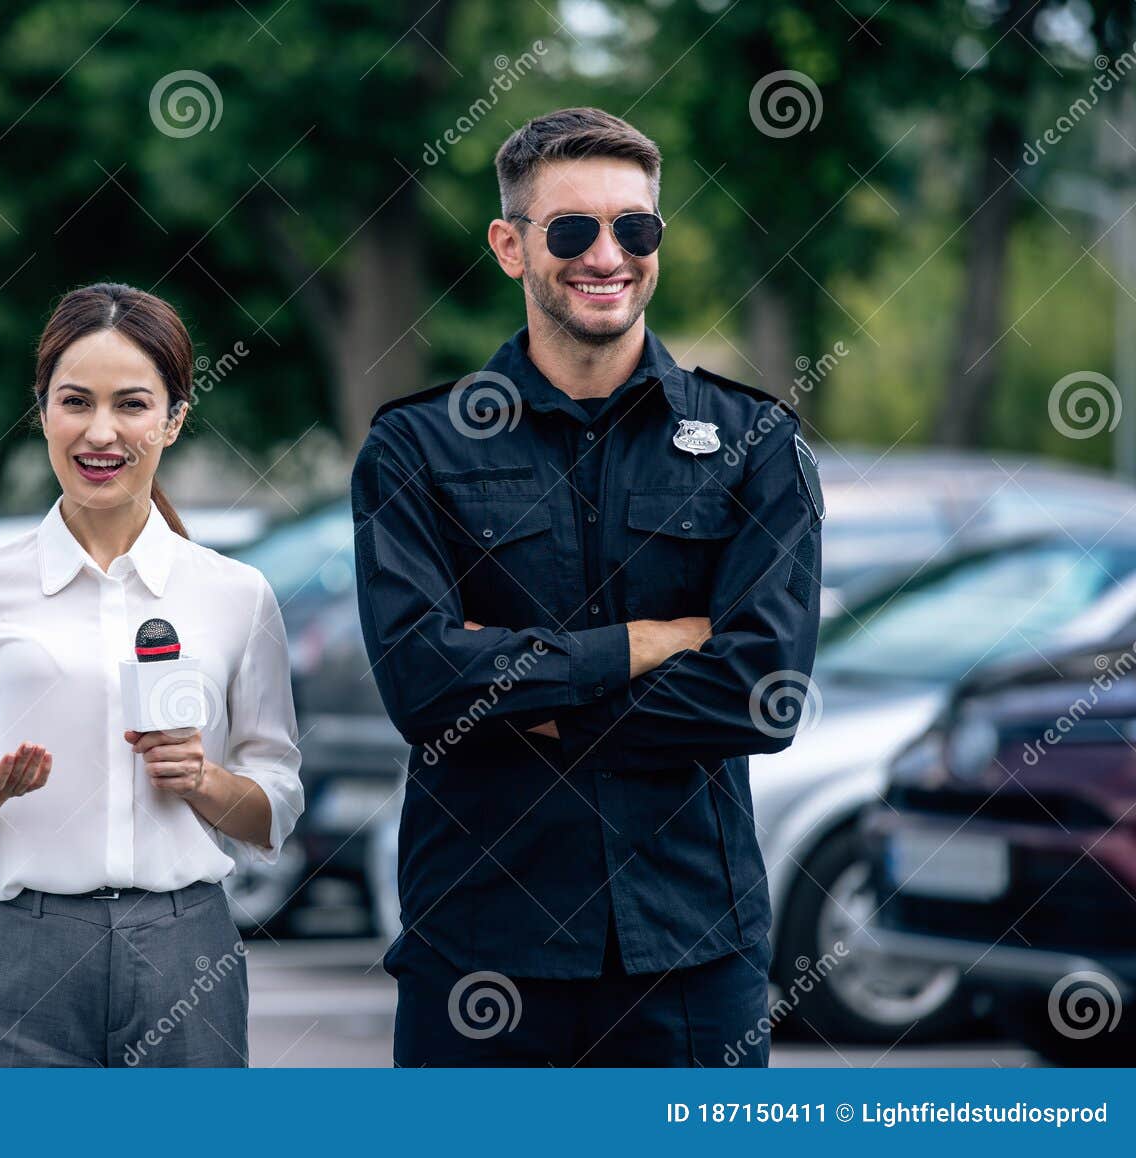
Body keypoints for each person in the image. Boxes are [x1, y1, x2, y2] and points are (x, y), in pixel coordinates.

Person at [351, 108, 825, 1066]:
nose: (607, 254)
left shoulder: (755, 445)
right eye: (572, 229)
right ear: (510, 245)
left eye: (634, 228)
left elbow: (760, 692)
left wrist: (529, 701)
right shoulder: (415, 447)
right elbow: (424, 685)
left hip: (692, 957)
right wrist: (643, 644)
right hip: (481, 957)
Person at [0, 282, 304, 1067]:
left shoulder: (236, 595)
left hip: (189, 950)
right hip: (19, 955)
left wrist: (203, 782)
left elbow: (275, 809)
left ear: (175, 418)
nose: (101, 432)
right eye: (75, 402)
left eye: (133, 404)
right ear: (41, 411)